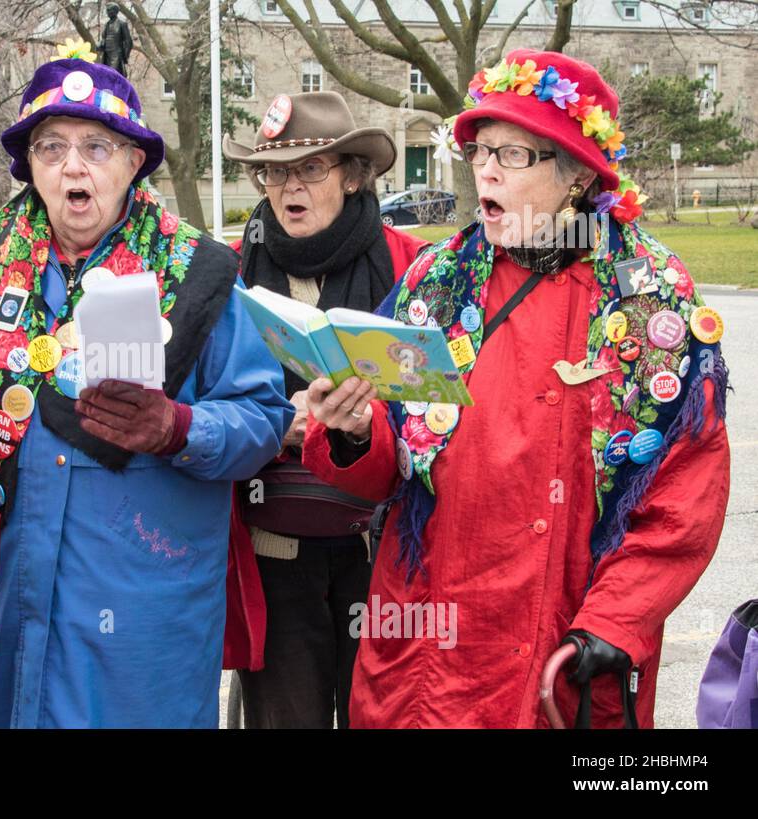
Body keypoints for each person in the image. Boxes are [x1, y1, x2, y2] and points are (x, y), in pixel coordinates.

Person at [302, 50, 731, 727]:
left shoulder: (650, 306)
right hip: (423, 653)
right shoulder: (435, 282)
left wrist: (613, 622)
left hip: (560, 652)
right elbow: (390, 467)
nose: (487, 171)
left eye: (514, 154)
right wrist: (354, 431)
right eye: (479, 151)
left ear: (578, 175)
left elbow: (683, 497)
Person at [0, 47, 294, 728]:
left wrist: (179, 429)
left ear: (135, 161)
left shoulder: (199, 274)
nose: (72, 165)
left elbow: (263, 418)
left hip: (139, 631)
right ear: (29, 166)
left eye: (96, 147)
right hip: (0, 601)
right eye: (51, 147)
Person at [220, 91, 426, 728]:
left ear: (355, 174)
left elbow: (443, 407)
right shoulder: (225, 272)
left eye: (310, 168)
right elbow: (203, 402)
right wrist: (281, 424)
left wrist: (367, 426)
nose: (287, 187)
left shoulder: (415, 263)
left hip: (384, 555)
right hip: (273, 551)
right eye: (273, 171)